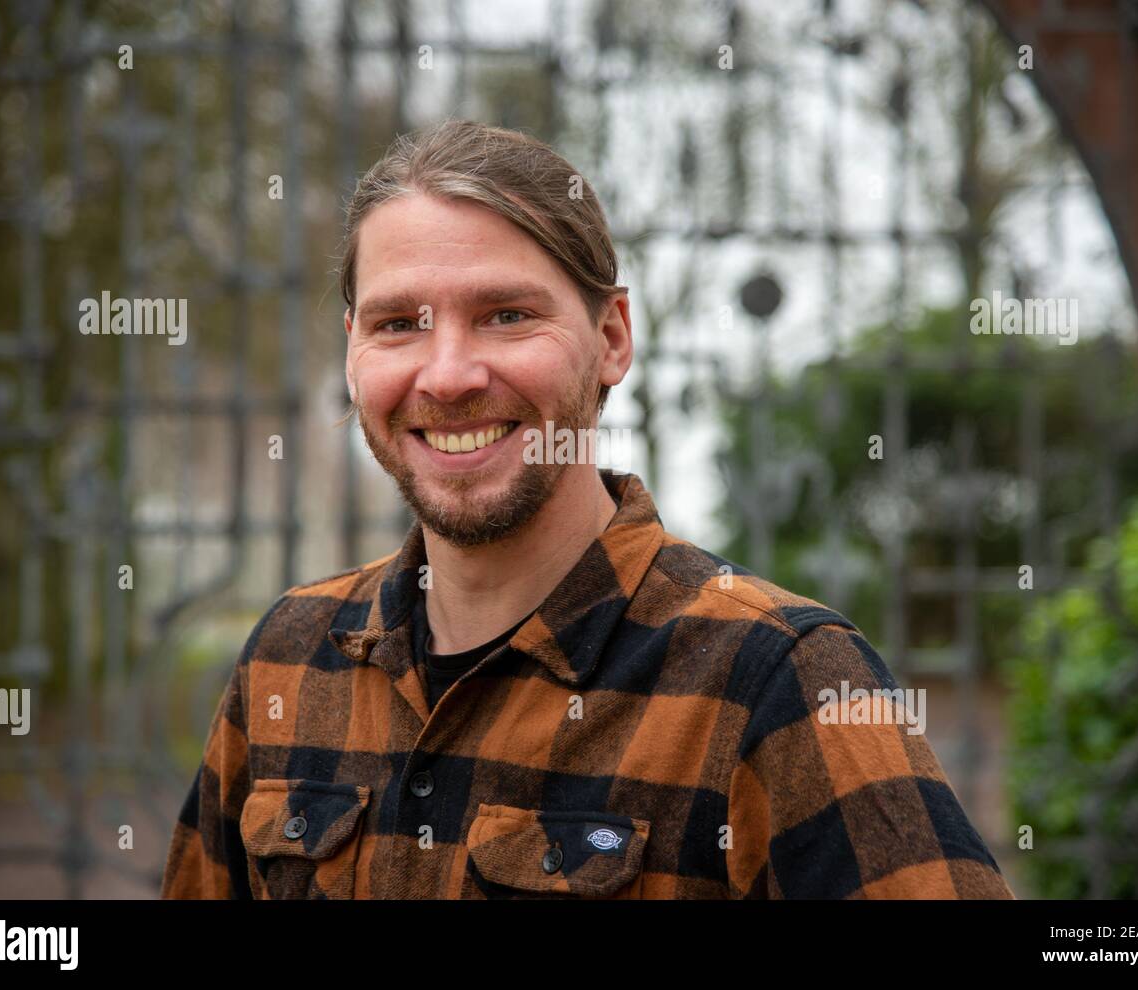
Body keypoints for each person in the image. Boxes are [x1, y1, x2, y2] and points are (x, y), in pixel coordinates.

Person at [161, 118, 1013, 900]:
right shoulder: (286, 657)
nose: (449, 374)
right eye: (398, 325)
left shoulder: (778, 680)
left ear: (612, 340)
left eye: (506, 315)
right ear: (352, 349)